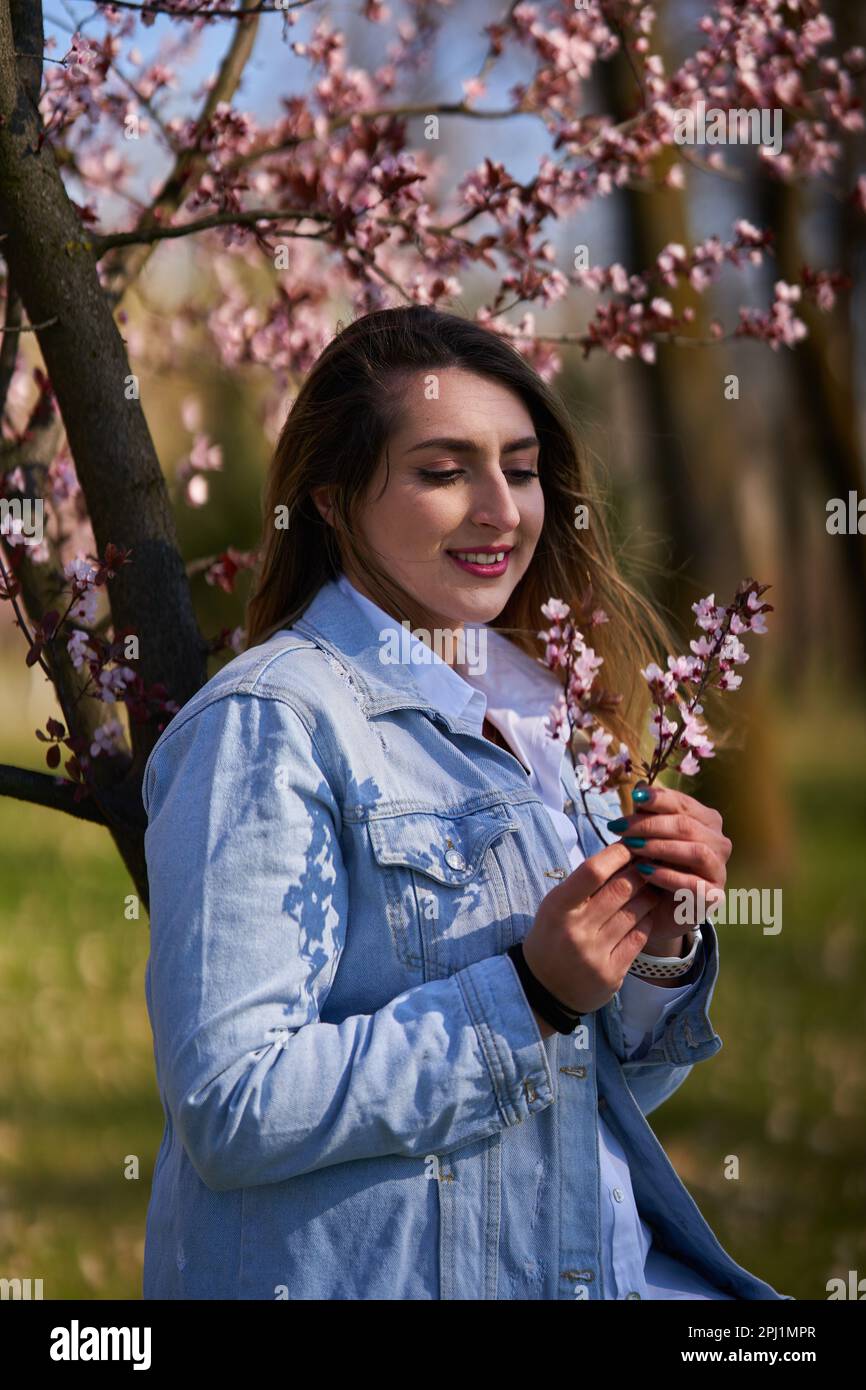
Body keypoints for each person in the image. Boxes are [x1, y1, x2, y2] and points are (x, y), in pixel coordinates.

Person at [141, 305, 792, 1300]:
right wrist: (527, 994)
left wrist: (649, 950)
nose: (500, 509)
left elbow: (596, 1094)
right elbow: (232, 1106)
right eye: (443, 472)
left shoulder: (544, 719)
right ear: (329, 497)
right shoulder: (270, 723)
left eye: (520, 468)